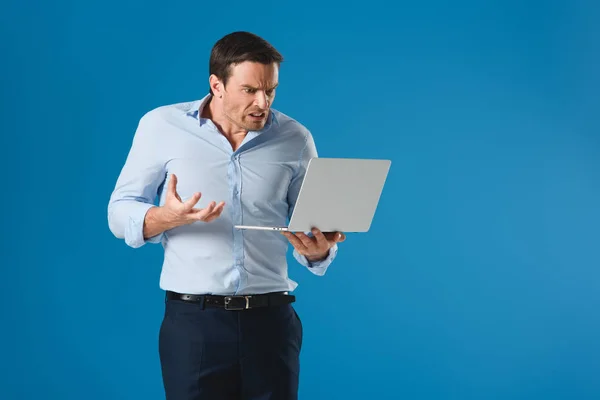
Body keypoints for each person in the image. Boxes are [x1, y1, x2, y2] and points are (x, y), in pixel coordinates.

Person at [107, 31, 346, 400]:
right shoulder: (161, 126)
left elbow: (310, 226)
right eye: (249, 90)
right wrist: (166, 217)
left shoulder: (296, 138)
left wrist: (318, 252)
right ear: (216, 85)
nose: (262, 102)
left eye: (270, 90)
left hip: (272, 322)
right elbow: (119, 211)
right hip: (194, 323)